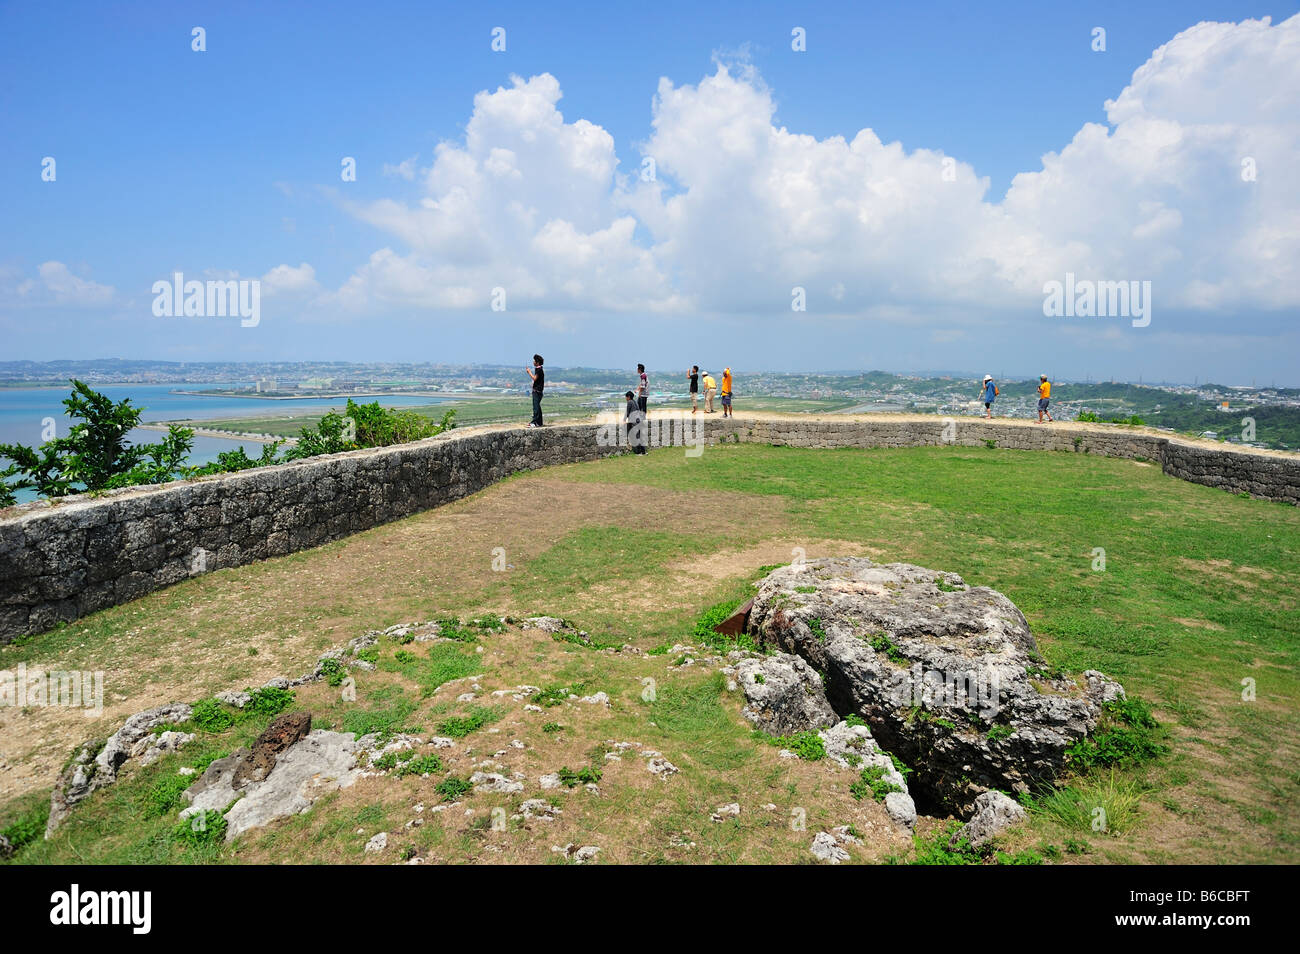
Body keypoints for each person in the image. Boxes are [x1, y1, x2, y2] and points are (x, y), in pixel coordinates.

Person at [625, 389, 647, 454]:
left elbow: (627, 412)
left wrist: (624, 420)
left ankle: (639, 452)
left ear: (628, 397)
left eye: (626, 397)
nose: (626, 398)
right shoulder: (635, 402)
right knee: (640, 436)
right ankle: (643, 451)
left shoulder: (629, 402)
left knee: (637, 437)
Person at [526, 354, 545, 427]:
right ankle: (539, 422)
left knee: (536, 407)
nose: (533, 362)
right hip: (539, 391)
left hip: (537, 391)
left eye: (534, 361)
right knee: (538, 407)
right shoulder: (540, 369)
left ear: (537, 362)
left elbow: (534, 378)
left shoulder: (538, 369)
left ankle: (534, 422)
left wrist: (529, 372)